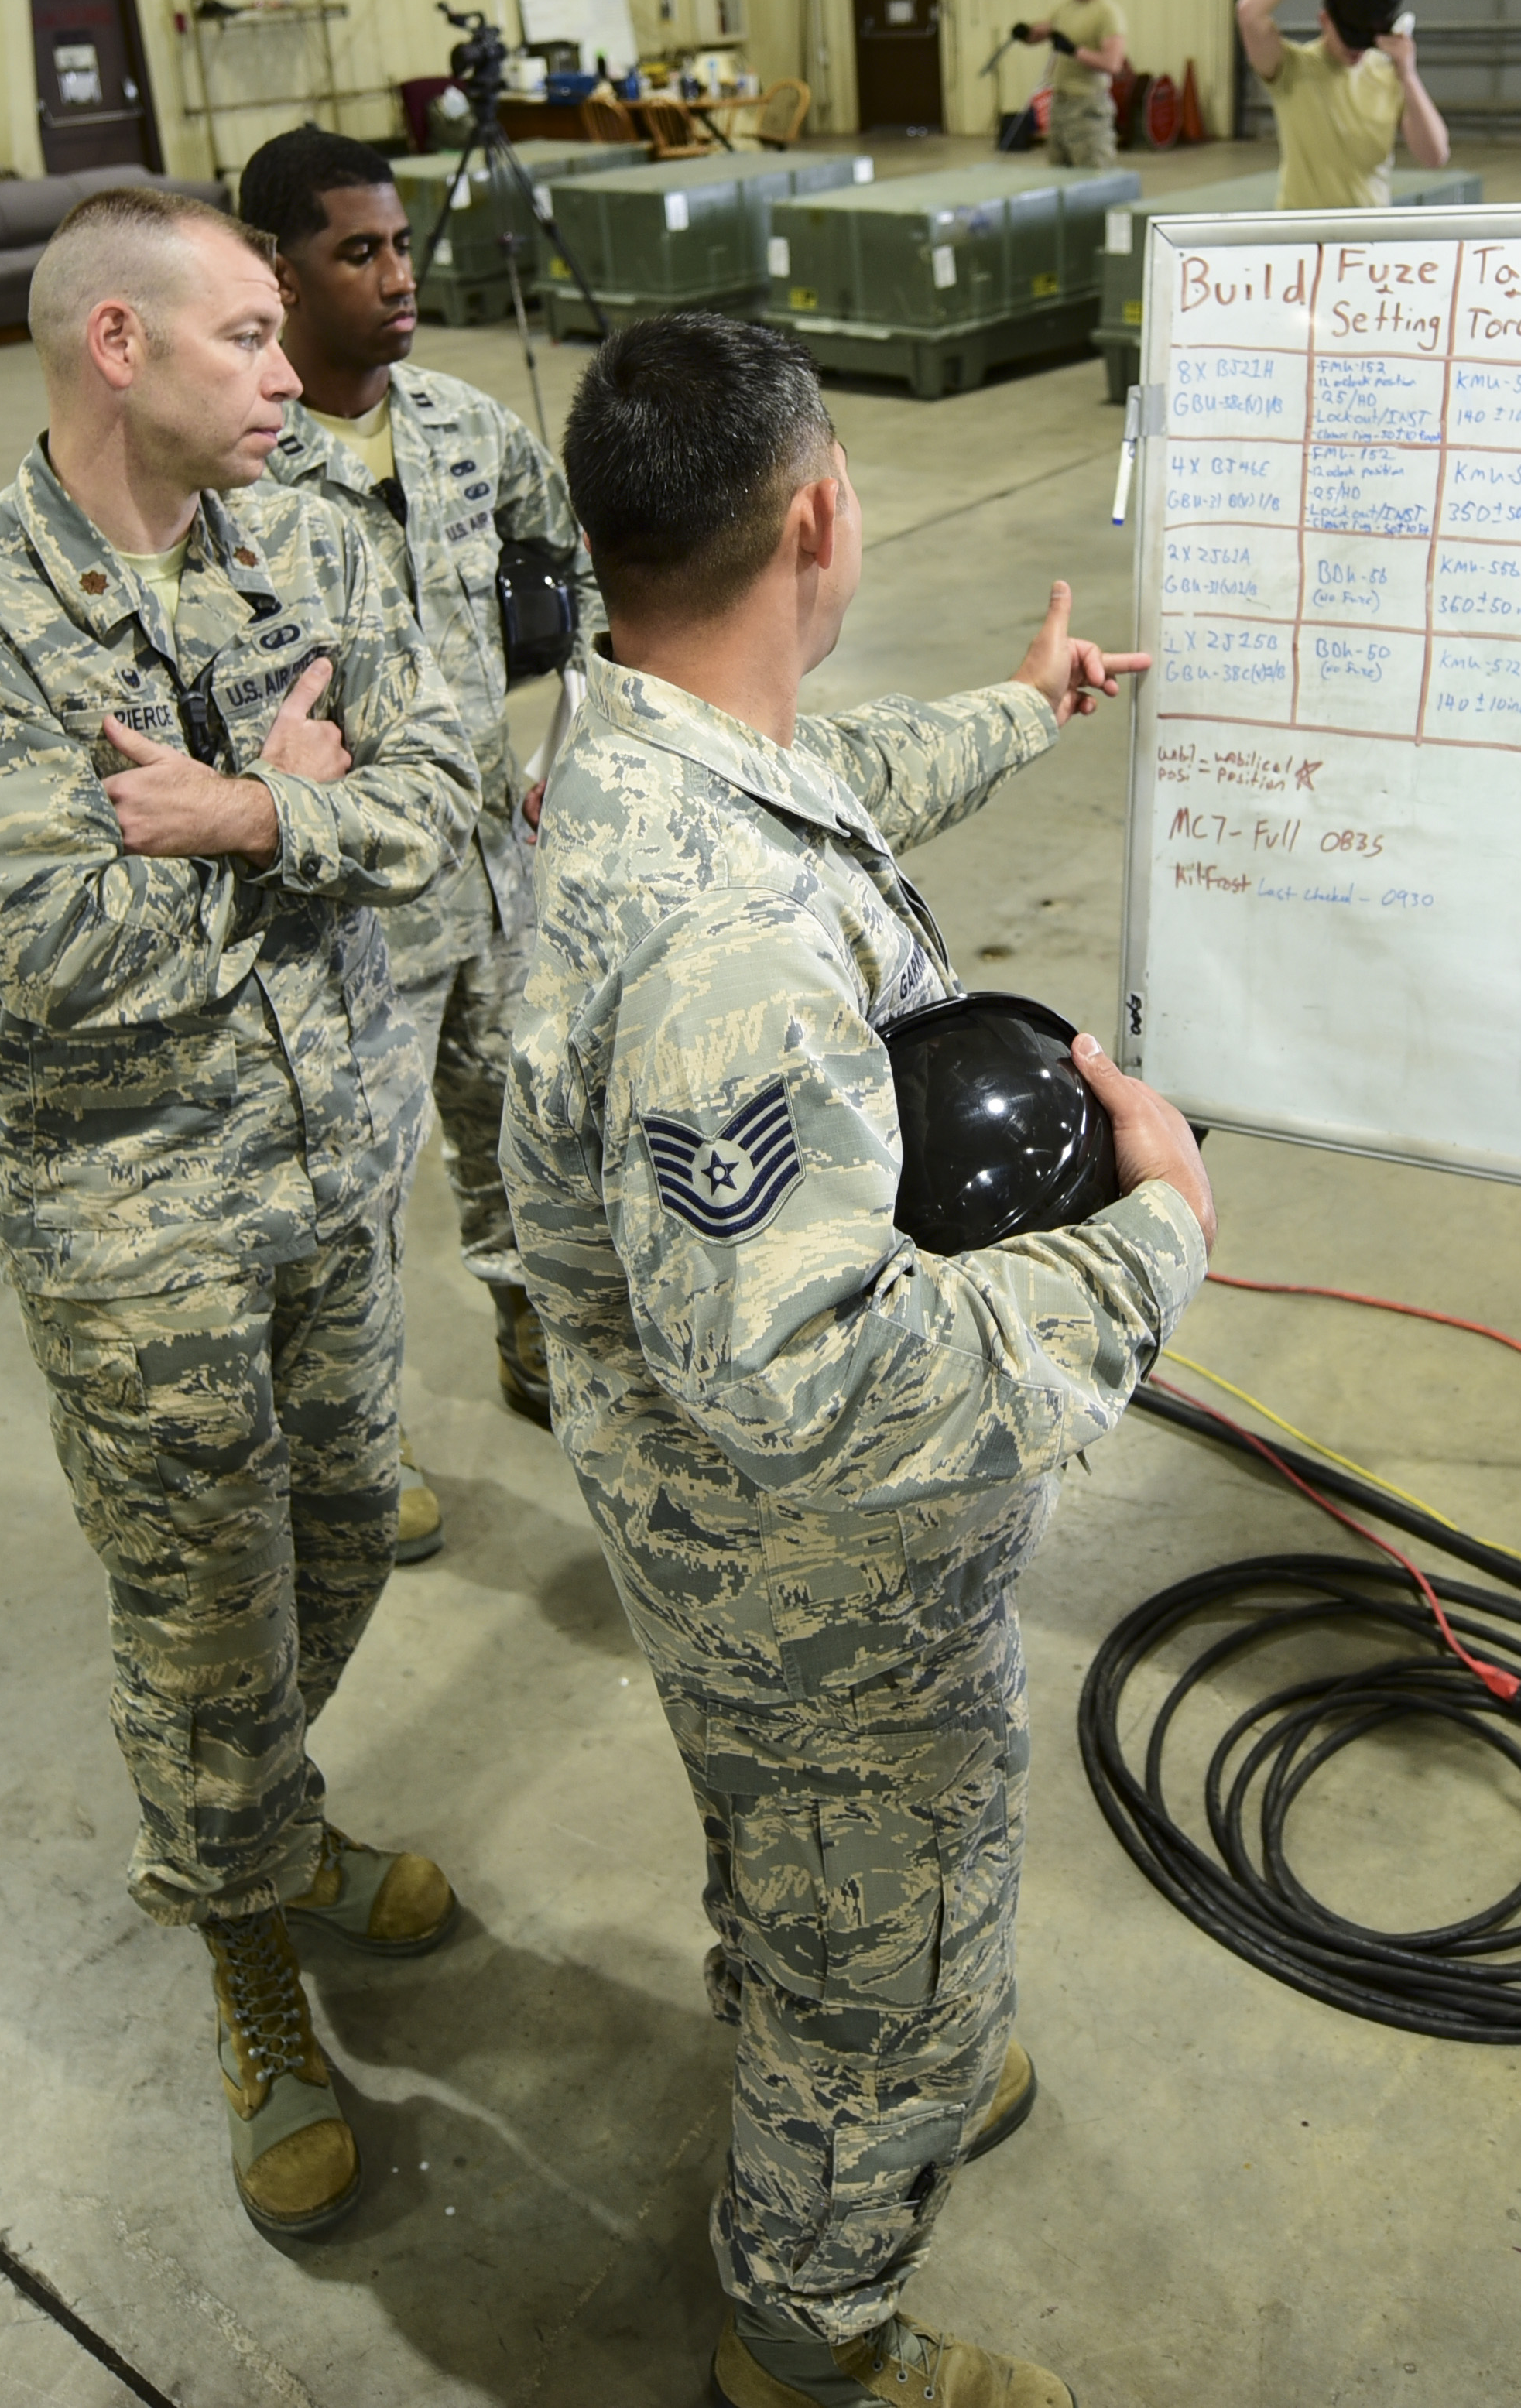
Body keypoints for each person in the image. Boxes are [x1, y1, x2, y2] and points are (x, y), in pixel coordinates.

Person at [501, 312, 1217, 2408]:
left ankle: (830, 2034)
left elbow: (827, 785)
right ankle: (812, 2323)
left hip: (720, 1554)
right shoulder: (725, 945)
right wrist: (1152, 1237)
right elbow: (814, 1382)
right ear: (818, 510)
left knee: (809, 1886)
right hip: (814, 1584)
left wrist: (1019, 705)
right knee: (888, 1946)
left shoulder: (635, 732)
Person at [0, 186, 481, 2240]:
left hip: (337, 1170)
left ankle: (263, 1830)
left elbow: (443, 805)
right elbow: (62, 954)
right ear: (113, 344)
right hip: (140, 1230)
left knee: (334, 1548)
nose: (293, 372)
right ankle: (247, 1960)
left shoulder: (315, 537)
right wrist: (304, 828)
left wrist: (242, 809)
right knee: (206, 1619)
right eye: (246, 337)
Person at [239, 126, 606, 1560]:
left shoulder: (461, 424)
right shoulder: (246, 471)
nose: (398, 275)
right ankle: (348, 1442)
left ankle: (531, 1345)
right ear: (279, 274)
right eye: (357, 252)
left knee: (516, 1134)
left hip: (493, 886)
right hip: (350, 922)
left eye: (400, 245)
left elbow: (569, 562)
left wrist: (552, 751)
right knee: (350, 1197)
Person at [1236, 0, 1451, 210]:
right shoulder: (1292, 69)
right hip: (1302, 237)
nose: (1358, 50)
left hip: (1366, 236)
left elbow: (1435, 155)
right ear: (1324, 19)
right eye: (1350, 37)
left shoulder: (1388, 75)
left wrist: (1408, 76)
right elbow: (1249, 12)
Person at [1019, 0, 1127, 169]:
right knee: (1059, 175)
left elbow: (1113, 64)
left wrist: (1074, 51)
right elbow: (1043, 31)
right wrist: (1025, 33)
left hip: (1088, 107)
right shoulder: (1065, 9)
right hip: (1060, 105)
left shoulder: (1107, 13)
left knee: (1093, 175)